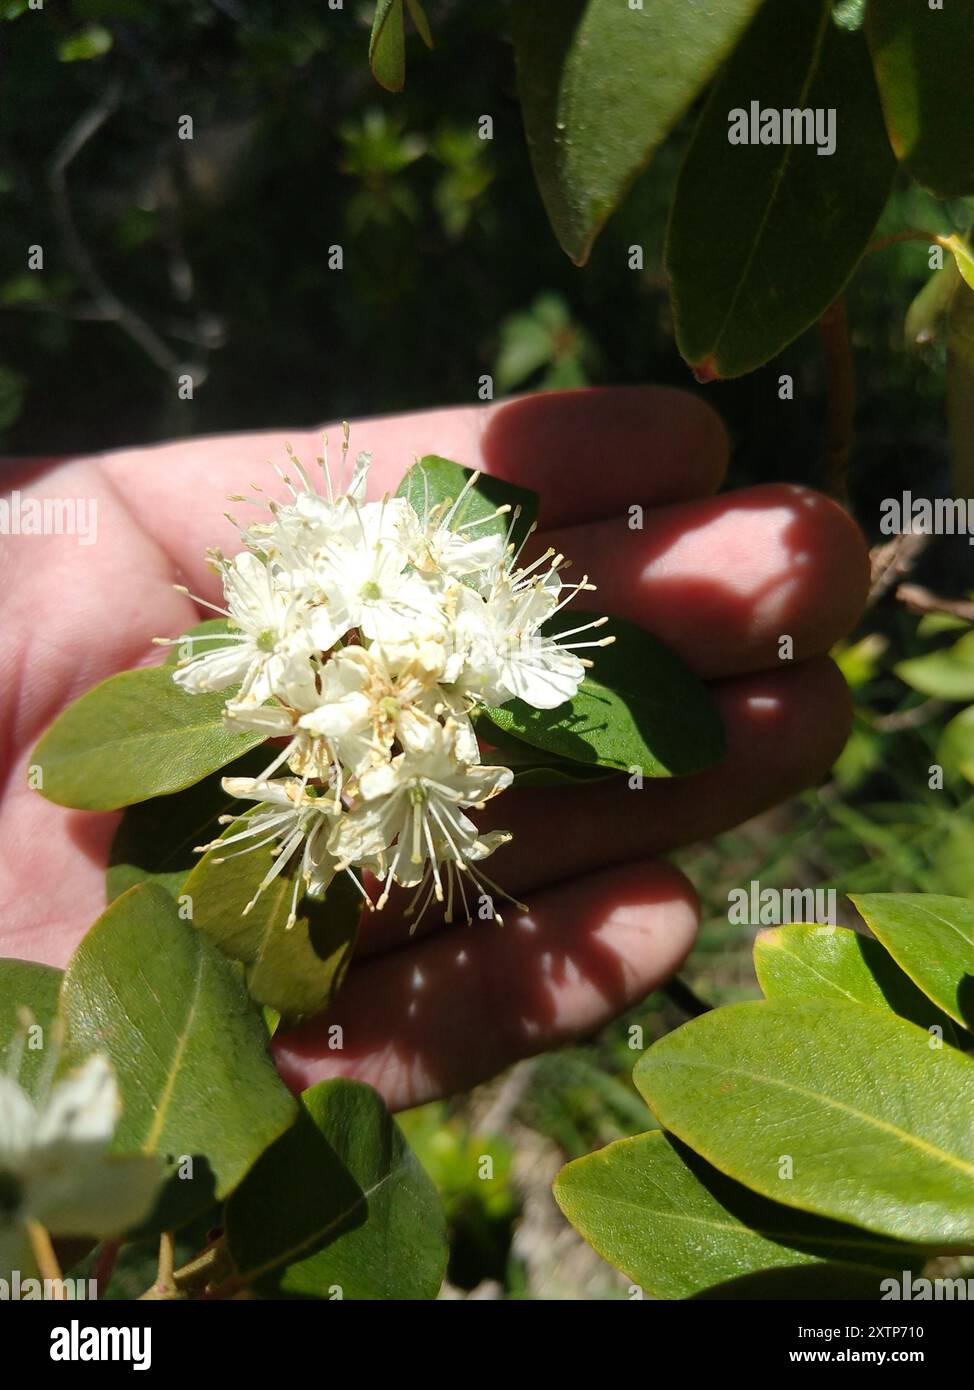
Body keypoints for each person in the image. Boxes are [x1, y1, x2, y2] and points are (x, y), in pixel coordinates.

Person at [0, 386, 869, 1109]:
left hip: (437, 696)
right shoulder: (300, 686)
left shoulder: (448, 674)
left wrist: (424, 728)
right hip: (327, 731)